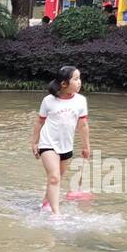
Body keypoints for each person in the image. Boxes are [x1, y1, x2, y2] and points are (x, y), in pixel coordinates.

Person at [30, 65, 91, 217]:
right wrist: (35, 142)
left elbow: (83, 125)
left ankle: (45, 202)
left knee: (56, 179)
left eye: (79, 78)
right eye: (75, 79)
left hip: (66, 147)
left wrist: (86, 147)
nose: (79, 82)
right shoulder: (49, 100)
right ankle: (56, 214)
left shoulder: (81, 101)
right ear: (64, 84)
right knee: (54, 177)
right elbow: (39, 122)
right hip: (48, 144)